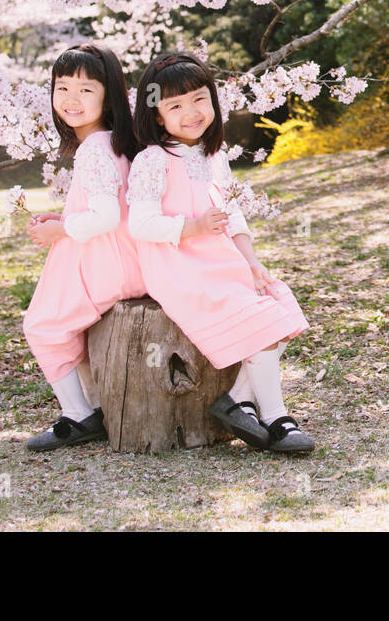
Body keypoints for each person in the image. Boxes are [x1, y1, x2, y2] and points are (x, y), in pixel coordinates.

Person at [126, 50, 313, 453]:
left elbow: (234, 215)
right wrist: (191, 227)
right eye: (174, 106)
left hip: (222, 258)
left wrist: (252, 262)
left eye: (199, 99)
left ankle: (239, 399)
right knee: (263, 322)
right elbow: (139, 223)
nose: (191, 112)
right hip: (179, 267)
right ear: (157, 115)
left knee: (278, 304)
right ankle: (276, 416)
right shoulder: (152, 160)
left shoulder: (213, 156)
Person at [22, 43, 145, 451]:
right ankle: (93, 402)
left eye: (86, 90)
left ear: (108, 95)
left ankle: (79, 414)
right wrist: (63, 221)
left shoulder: (94, 148)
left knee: (41, 324)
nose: (71, 100)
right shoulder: (113, 141)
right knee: (61, 321)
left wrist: (60, 233)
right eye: (62, 88)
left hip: (105, 260)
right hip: (120, 255)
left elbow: (106, 216)